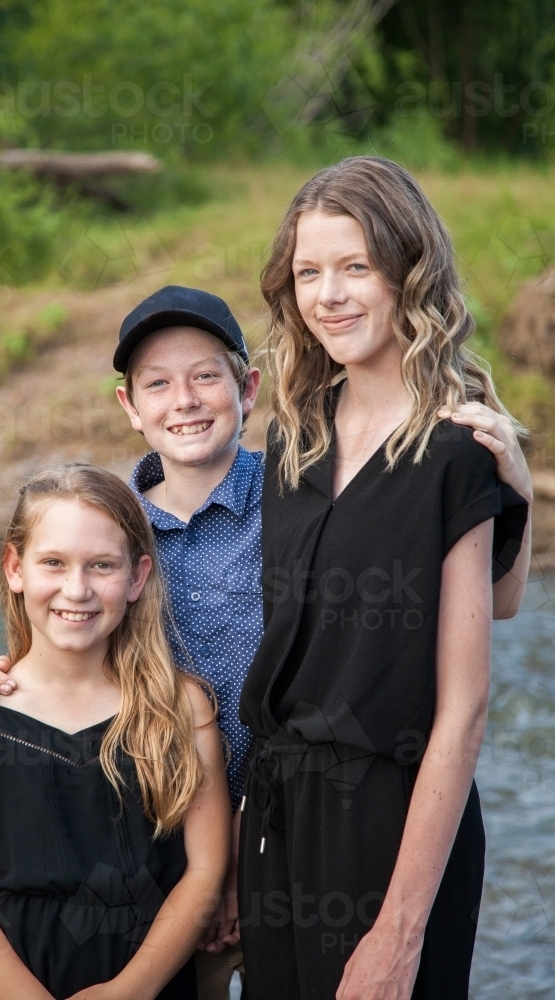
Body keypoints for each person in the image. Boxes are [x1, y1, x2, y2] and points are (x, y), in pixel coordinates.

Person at [0, 284, 531, 999]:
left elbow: (489, 604)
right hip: (158, 852)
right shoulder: (110, 530)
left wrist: (513, 494)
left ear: (246, 388)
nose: (183, 400)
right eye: (157, 384)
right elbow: (64, 633)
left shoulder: (307, 494)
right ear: (129, 407)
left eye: (205, 377)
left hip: (293, 833)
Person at [237, 155, 531, 1000]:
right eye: (307, 272)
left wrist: (399, 933)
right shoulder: (294, 432)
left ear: (409, 269)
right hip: (277, 815)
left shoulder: (452, 442)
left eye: (355, 266)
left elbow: (465, 702)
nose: (327, 294)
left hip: (391, 823)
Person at [0, 464, 230, 1000]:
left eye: (102, 566)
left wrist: (129, 991)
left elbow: (204, 874)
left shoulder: (182, 709)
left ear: (136, 578)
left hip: (146, 984)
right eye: (53, 563)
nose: (77, 588)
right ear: (15, 568)